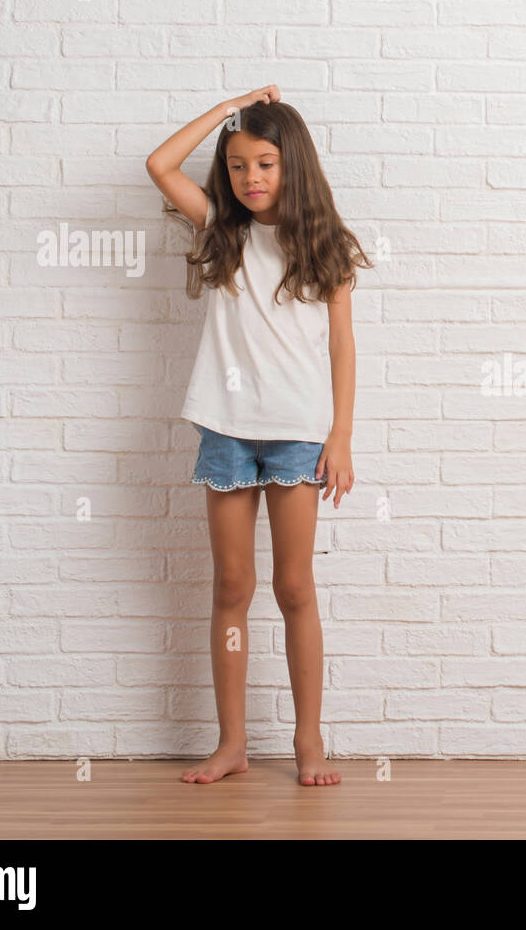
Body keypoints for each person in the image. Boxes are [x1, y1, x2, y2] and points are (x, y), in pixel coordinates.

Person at [145, 86, 371, 786]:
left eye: (265, 163)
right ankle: (233, 741)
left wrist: (341, 435)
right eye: (239, 166)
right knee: (231, 587)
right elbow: (160, 164)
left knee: (295, 586)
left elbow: (342, 345)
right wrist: (229, 108)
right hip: (226, 430)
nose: (251, 179)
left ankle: (309, 740)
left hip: (299, 434)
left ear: (291, 163)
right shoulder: (222, 227)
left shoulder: (322, 242)